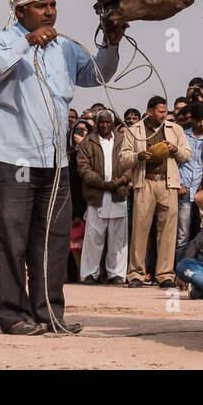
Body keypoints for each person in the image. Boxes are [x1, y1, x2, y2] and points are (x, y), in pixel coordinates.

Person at [0, 0, 124, 334]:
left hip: (54, 163)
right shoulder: (3, 40)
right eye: (42, 6)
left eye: (53, 5)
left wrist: (111, 44)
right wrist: (26, 42)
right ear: (21, 10)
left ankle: (49, 313)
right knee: (10, 240)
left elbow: (97, 74)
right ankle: (13, 315)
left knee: (52, 241)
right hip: (10, 159)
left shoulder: (65, 48)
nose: (50, 13)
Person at [119, 96, 191, 289]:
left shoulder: (175, 129)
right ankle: (136, 274)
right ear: (150, 111)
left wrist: (175, 149)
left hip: (168, 183)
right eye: (160, 111)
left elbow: (187, 155)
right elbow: (123, 159)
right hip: (145, 181)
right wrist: (138, 156)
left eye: (165, 111)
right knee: (140, 229)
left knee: (168, 231)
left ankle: (165, 274)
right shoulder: (135, 131)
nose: (163, 115)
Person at [77, 110, 129, 285]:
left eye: (108, 122)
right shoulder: (87, 142)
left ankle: (116, 274)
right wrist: (102, 183)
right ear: (97, 124)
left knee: (118, 238)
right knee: (93, 238)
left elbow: (131, 165)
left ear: (113, 123)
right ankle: (89, 274)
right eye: (101, 122)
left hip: (118, 195)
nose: (104, 125)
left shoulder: (123, 141)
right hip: (97, 196)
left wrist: (120, 181)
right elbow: (83, 169)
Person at [177, 101, 203, 254]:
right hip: (184, 189)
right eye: (200, 120)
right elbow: (176, 162)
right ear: (193, 119)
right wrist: (178, 183)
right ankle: (180, 270)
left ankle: (199, 269)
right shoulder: (183, 136)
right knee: (182, 234)